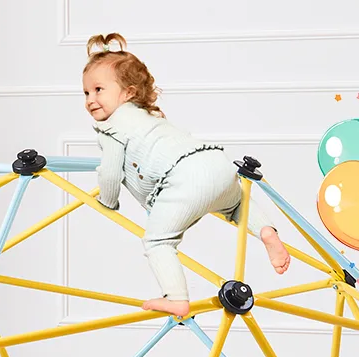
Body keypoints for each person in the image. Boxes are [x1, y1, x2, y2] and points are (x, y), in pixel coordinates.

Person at [85, 32, 291, 318]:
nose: (90, 100)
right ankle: (267, 232)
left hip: (184, 179)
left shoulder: (112, 127)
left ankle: (177, 297)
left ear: (129, 92)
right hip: (217, 163)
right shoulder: (152, 118)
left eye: (98, 90)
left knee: (158, 241)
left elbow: (109, 173)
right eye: (86, 93)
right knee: (235, 205)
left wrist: (107, 202)